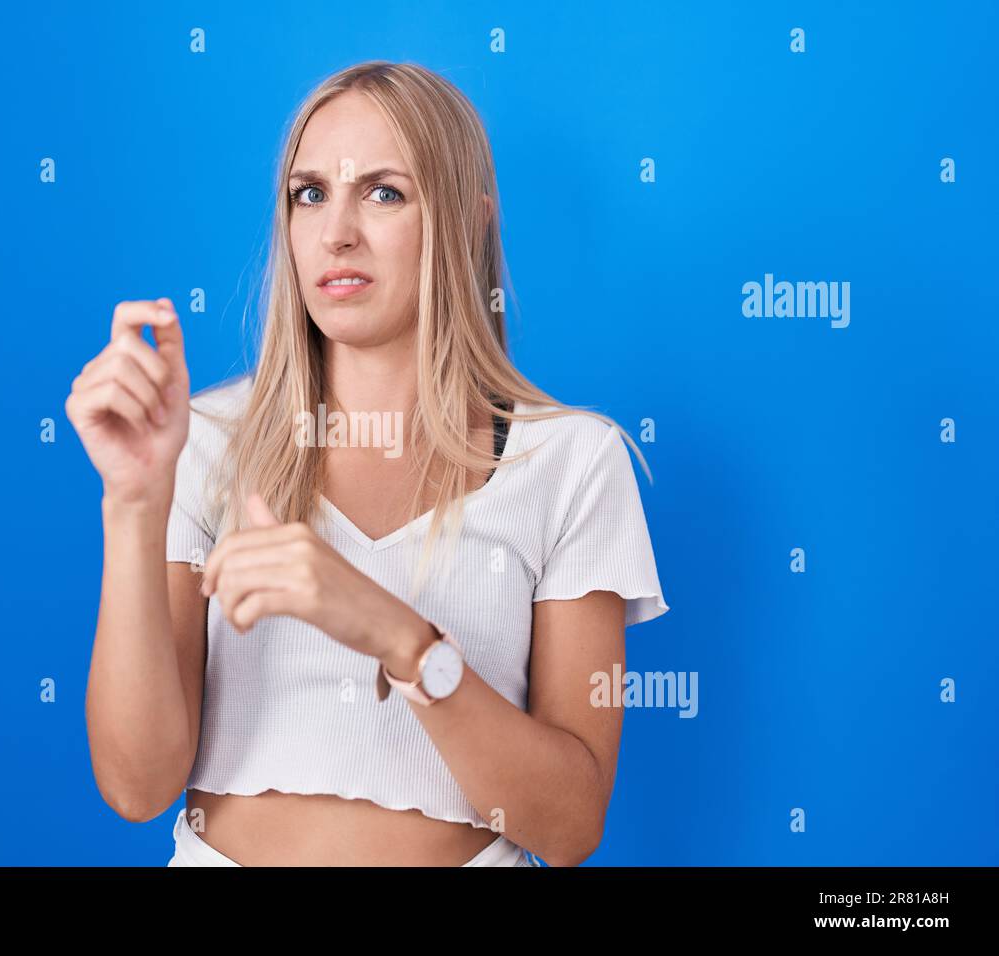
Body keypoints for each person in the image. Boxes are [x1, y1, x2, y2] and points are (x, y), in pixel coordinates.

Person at [66, 60, 669, 867]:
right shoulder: (201, 440)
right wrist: (134, 506)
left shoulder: (570, 461)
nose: (336, 231)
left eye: (384, 192)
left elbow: (568, 828)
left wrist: (397, 635)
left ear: (471, 221)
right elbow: (137, 788)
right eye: (309, 194)